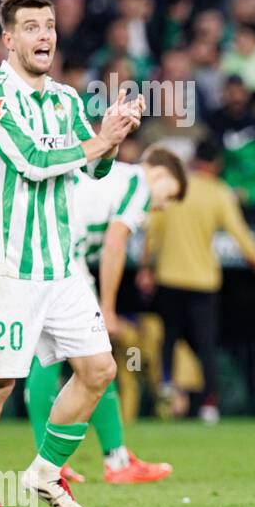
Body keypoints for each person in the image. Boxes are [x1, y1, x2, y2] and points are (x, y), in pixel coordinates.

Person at [0, 0, 142, 507]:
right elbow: (34, 161)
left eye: (51, 26)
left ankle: (43, 472)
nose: (45, 36)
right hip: (5, 263)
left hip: (57, 267)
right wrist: (97, 141)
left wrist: (113, 138)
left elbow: (94, 168)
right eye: (32, 27)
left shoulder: (63, 99)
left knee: (98, 368)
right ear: (8, 39)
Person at [24, 146, 187, 483]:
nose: (163, 205)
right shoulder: (138, 183)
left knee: (56, 359)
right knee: (93, 360)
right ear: (158, 172)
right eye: (169, 194)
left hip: (45, 249)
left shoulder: (115, 177)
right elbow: (115, 244)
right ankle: (113, 460)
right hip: (62, 256)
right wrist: (108, 309)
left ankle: (57, 461)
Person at [138, 137, 255, 423]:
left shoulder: (175, 186)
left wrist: (145, 268)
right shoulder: (219, 192)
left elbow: (152, 230)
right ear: (217, 164)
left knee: (170, 338)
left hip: (168, 276)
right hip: (203, 281)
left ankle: (168, 393)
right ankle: (209, 404)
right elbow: (242, 238)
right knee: (206, 345)